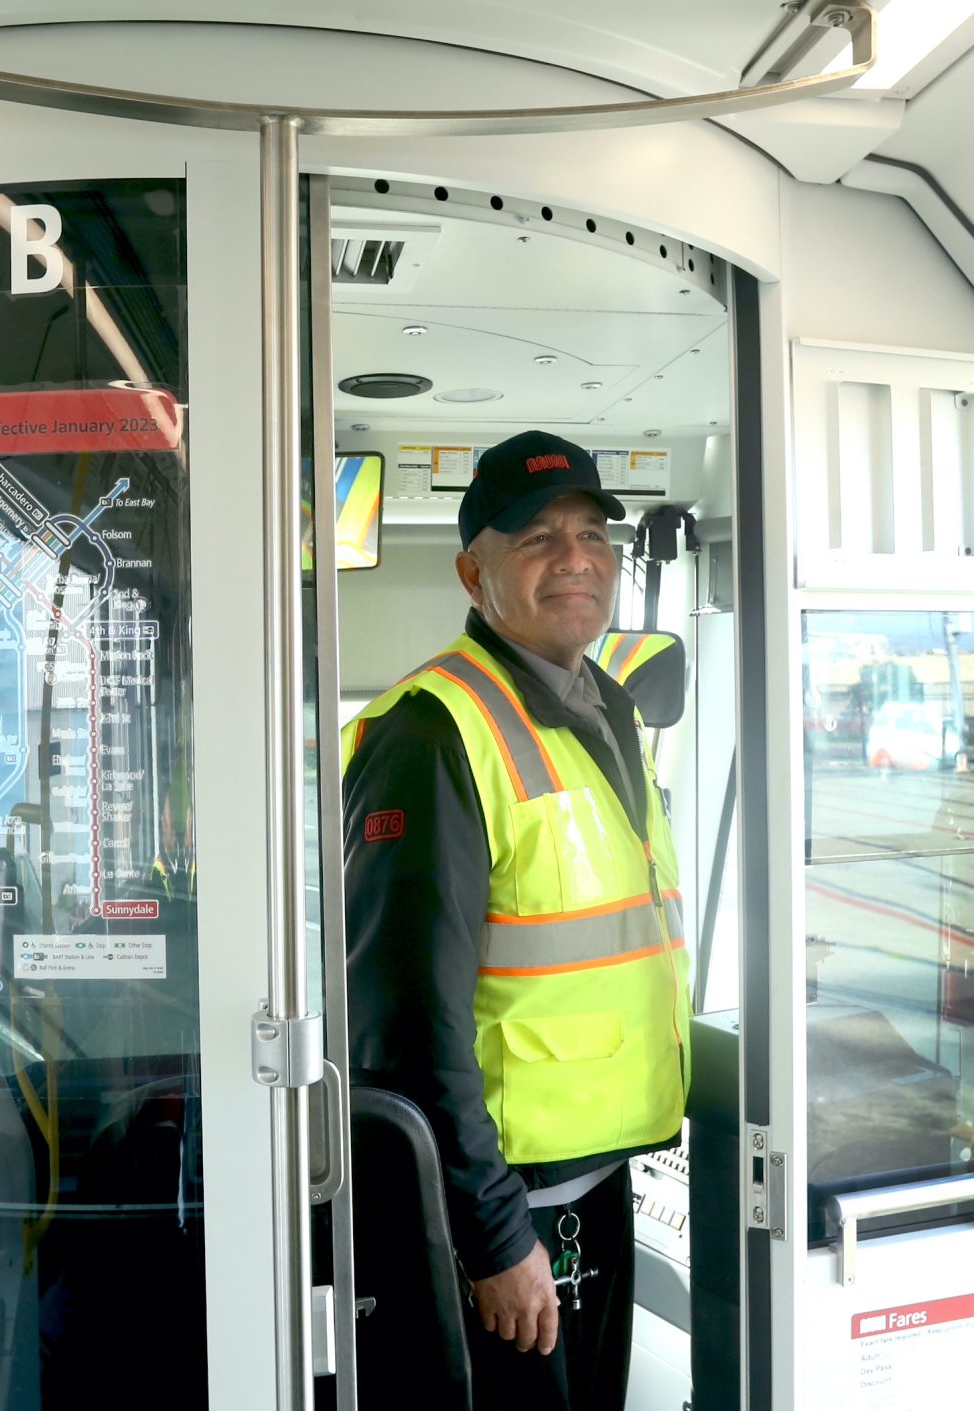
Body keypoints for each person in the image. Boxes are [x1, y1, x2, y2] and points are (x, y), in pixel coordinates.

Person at [342, 430, 692, 1410]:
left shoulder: (603, 709)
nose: (574, 556)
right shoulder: (431, 732)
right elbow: (402, 1023)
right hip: (506, 1204)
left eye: (590, 532)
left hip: (595, 1179)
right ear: (471, 570)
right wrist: (491, 1235)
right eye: (535, 537)